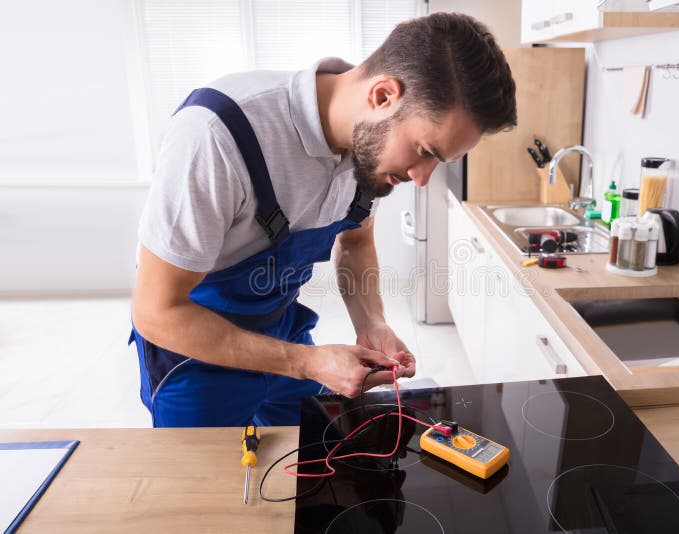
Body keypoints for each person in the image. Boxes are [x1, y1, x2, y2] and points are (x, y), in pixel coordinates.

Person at [129, 12, 517, 427]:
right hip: (194, 356)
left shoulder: (368, 146)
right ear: (384, 95)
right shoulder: (214, 136)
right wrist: (305, 362)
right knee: (210, 491)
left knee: (313, 474)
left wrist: (372, 322)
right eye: (425, 151)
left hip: (283, 328)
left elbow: (355, 242)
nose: (422, 179)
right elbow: (156, 311)